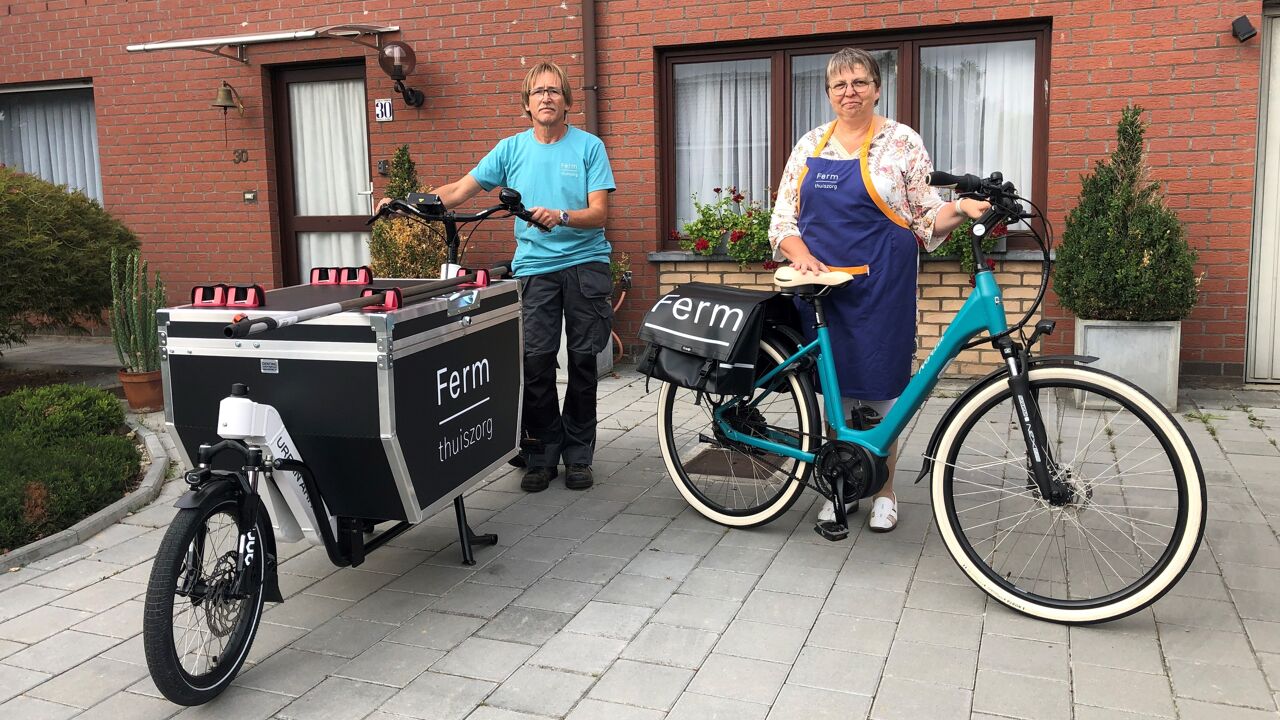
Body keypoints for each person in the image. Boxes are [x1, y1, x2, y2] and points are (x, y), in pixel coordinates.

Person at [769, 48, 989, 532]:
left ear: (876, 86)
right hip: (825, 287)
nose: (850, 93)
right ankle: (840, 485)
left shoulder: (902, 142)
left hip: (883, 285)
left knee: (885, 389)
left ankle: (884, 488)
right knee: (833, 390)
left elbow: (926, 213)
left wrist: (964, 207)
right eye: (839, 85)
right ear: (828, 93)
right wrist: (798, 254)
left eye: (859, 82)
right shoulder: (810, 145)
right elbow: (783, 218)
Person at [379, 61, 616, 493]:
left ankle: (579, 454)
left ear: (567, 102)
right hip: (536, 271)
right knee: (537, 361)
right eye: (539, 91)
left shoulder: (589, 147)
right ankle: (542, 451)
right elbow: (458, 190)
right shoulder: (510, 150)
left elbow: (599, 212)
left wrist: (562, 216)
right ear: (527, 104)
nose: (547, 97)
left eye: (555, 91)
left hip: (586, 267)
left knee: (584, 362)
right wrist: (405, 199)